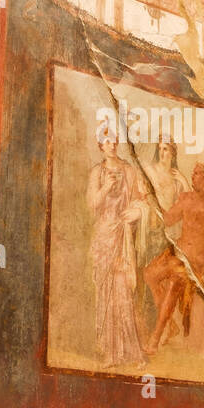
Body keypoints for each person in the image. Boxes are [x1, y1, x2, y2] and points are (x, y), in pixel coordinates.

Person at [143, 162, 204, 355]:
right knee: (149, 274)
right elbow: (167, 220)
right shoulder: (185, 199)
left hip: (194, 263)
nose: (194, 176)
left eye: (199, 174)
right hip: (177, 254)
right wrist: (152, 199)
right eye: (193, 173)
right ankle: (170, 323)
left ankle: (155, 337)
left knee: (175, 282)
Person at [87, 129, 146, 368]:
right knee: (105, 293)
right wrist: (104, 188)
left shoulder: (129, 171)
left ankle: (132, 352)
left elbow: (138, 201)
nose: (111, 145)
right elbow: (92, 205)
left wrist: (138, 208)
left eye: (114, 141)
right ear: (101, 145)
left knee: (123, 292)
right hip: (104, 236)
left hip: (122, 234)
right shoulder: (97, 172)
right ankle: (111, 354)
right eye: (106, 141)